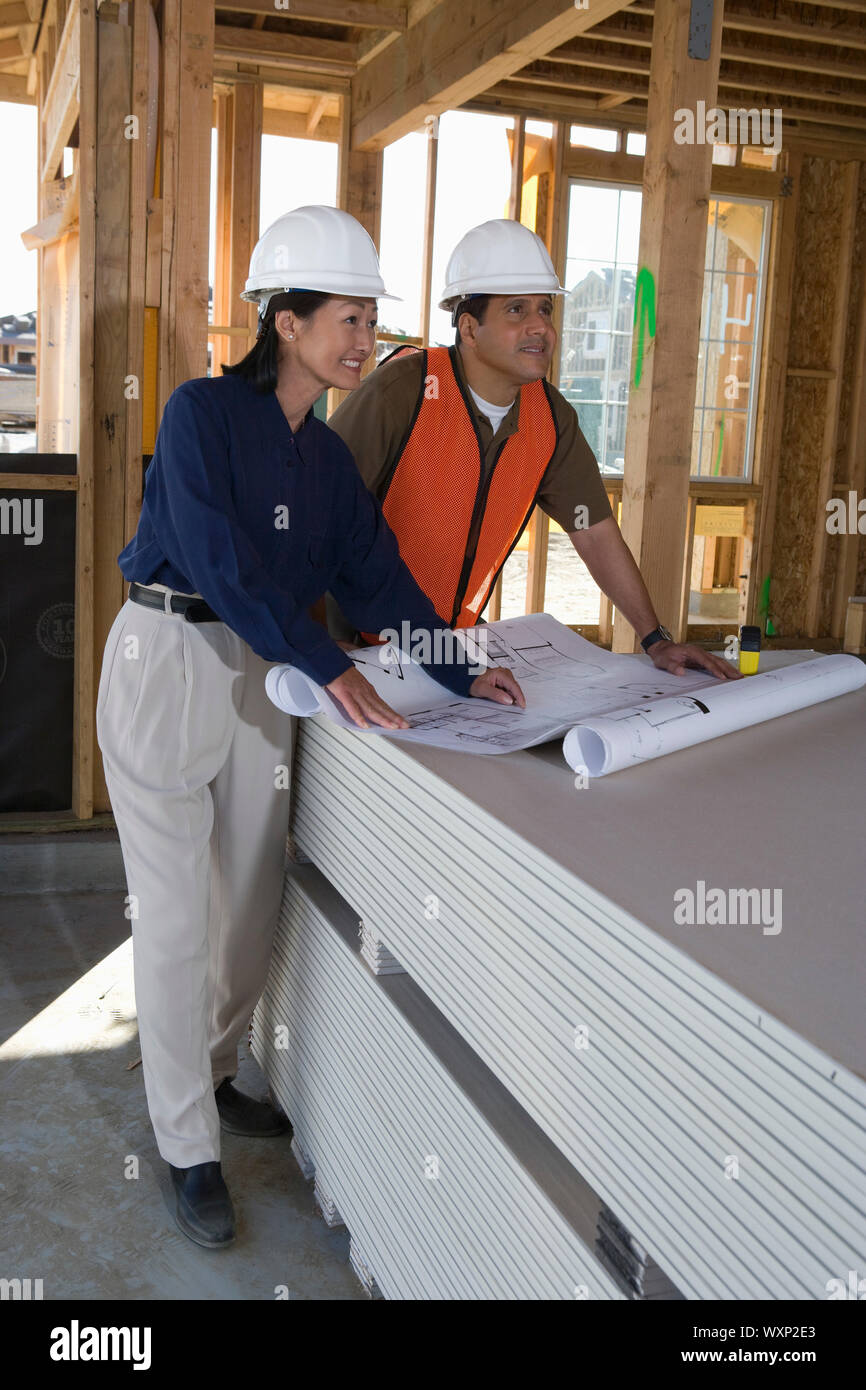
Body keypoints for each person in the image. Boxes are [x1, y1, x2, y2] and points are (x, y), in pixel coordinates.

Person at [96, 205, 524, 1251]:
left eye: (370, 316)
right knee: (174, 917)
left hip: (265, 674)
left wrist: (461, 668)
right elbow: (213, 559)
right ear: (280, 321)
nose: (362, 336)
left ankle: (212, 1068)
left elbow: (376, 574)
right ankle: (187, 1144)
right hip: (168, 656)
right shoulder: (201, 413)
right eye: (343, 314)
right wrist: (328, 663)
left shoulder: (325, 460)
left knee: (246, 904)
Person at [322, 218, 739, 683]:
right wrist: (314, 635)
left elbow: (594, 532)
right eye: (516, 310)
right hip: (352, 653)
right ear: (469, 329)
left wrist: (655, 639)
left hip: (447, 653)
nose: (540, 326)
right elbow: (314, 511)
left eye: (545, 309)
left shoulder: (550, 419)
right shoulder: (406, 390)